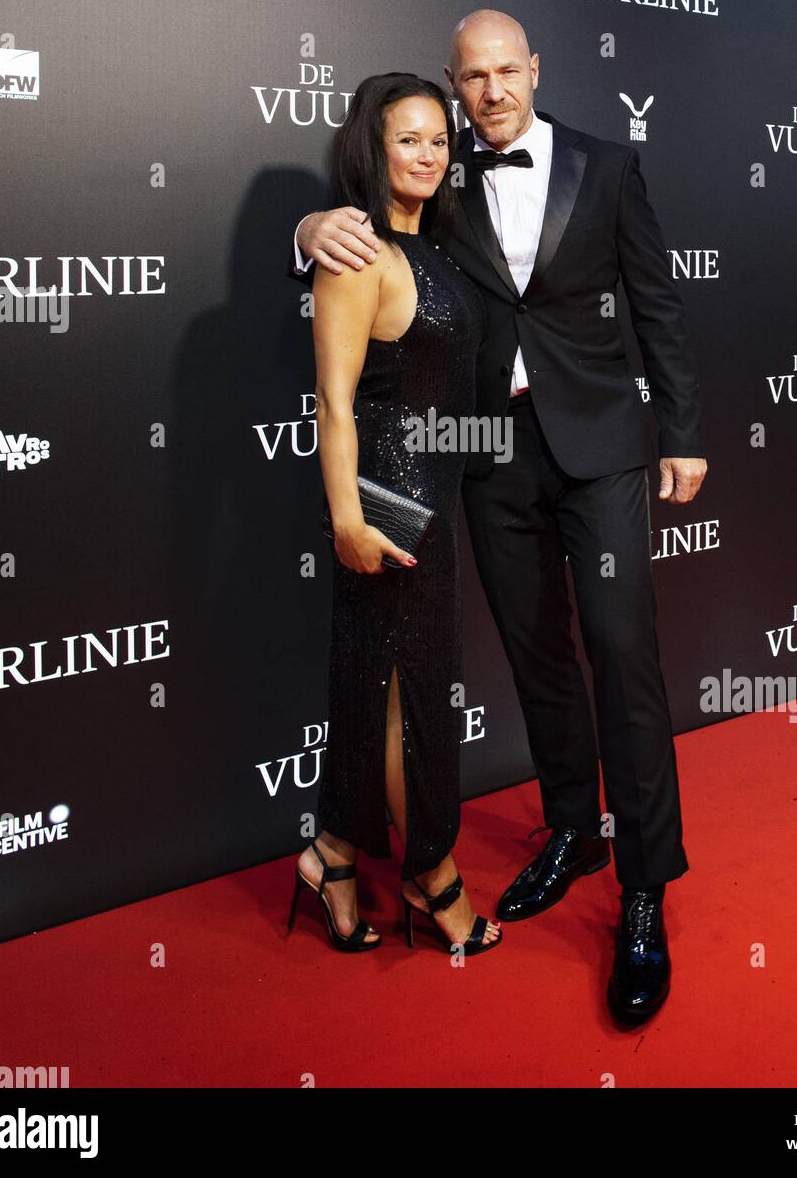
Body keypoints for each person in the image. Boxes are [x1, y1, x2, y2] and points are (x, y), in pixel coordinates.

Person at [290, 12, 707, 1021]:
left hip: (603, 446)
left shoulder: (607, 167)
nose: (489, 91)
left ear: (534, 70)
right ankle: (572, 828)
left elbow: (655, 302)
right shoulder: (447, 178)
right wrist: (302, 229)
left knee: (622, 649)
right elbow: (370, 232)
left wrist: (682, 428)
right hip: (487, 456)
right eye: (469, 78)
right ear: (451, 83)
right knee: (536, 654)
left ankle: (643, 886)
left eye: (505, 71)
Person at [286, 71, 502, 958]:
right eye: (407, 138)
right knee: (403, 705)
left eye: (439, 140)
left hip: (433, 504)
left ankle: (334, 853)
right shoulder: (356, 254)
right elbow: (333, 402)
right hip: (386, 507)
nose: (428, 154)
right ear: (373, 149)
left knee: (390, 695)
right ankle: (431, 878)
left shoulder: (442, 249)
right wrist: (346, 518)